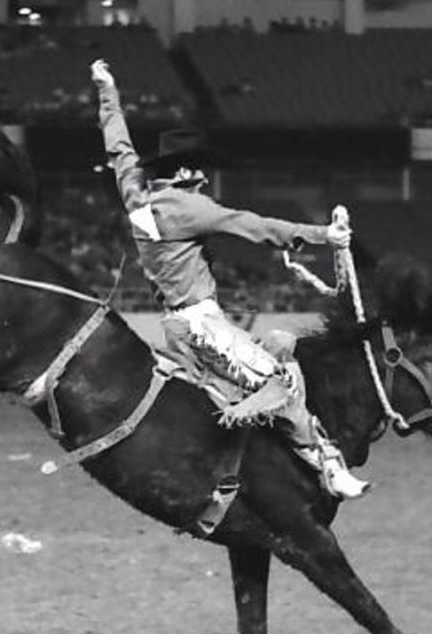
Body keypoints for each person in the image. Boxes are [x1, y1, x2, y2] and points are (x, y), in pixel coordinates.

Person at [90, 59, 369, 500]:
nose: (204, 179)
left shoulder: (135, 194)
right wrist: (324, 236)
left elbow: (119, 149)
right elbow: (254, 225)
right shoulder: (188, 207)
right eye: (198, 171)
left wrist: (108, 92)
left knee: (280, 342)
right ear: (184, 173)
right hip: (202, 325)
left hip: (181, 325)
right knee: (284, 381)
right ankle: (325, 463)